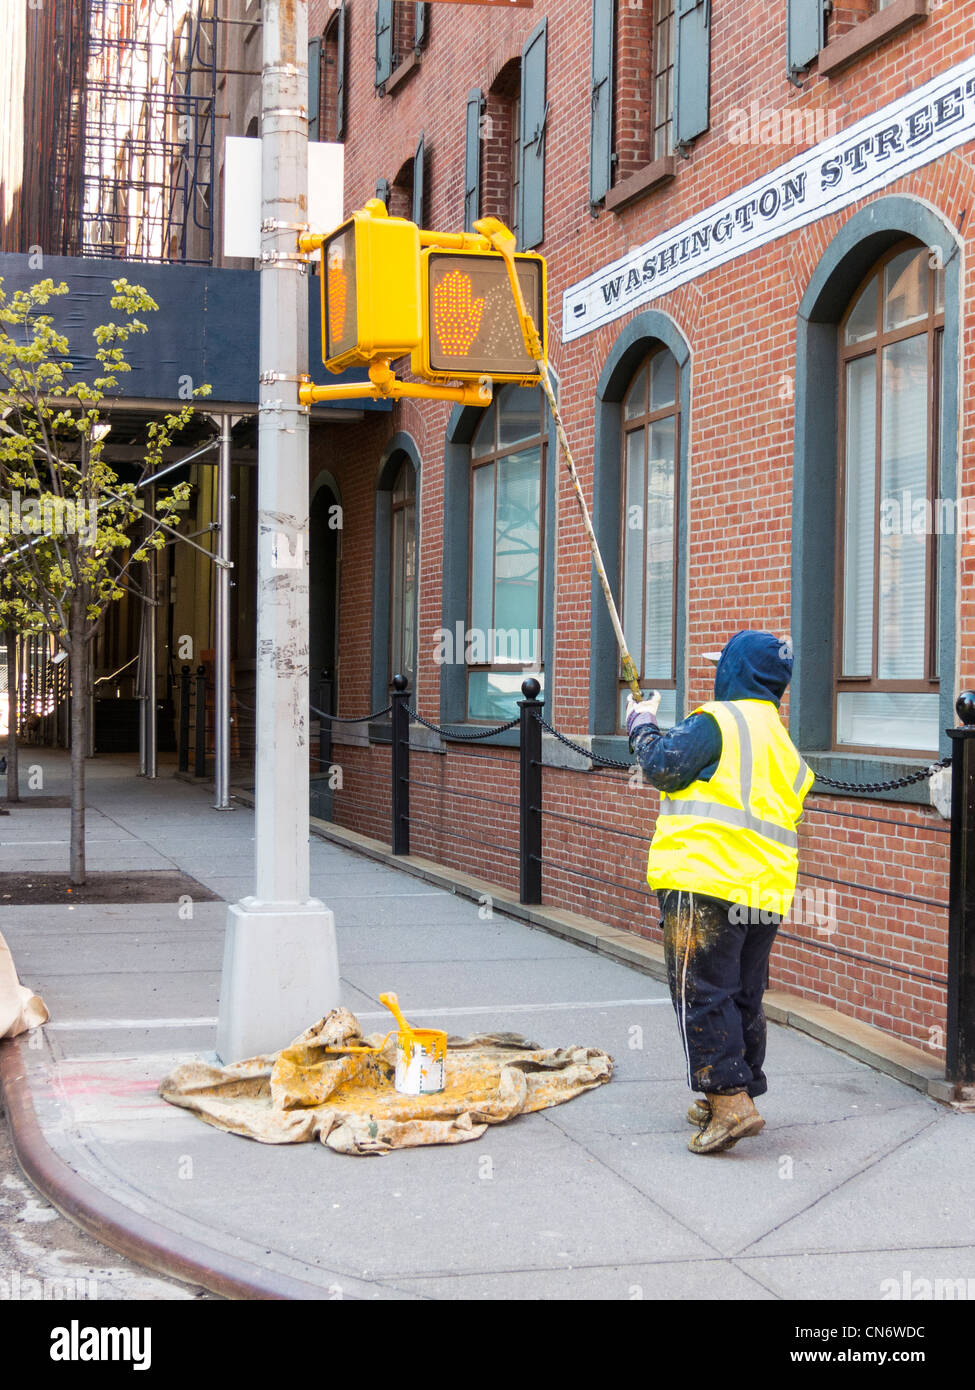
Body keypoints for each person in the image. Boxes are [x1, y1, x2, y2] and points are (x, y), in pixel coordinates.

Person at [626, 631, 813, 1155]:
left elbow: (661, 766)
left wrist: (640, 723)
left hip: (703, 880)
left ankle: (728, 1100)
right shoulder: (782, 742)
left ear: (734, 672)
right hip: (763, 891)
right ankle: (736, 1089)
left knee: (700, 991)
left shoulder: (718, 721)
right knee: (741, 993)